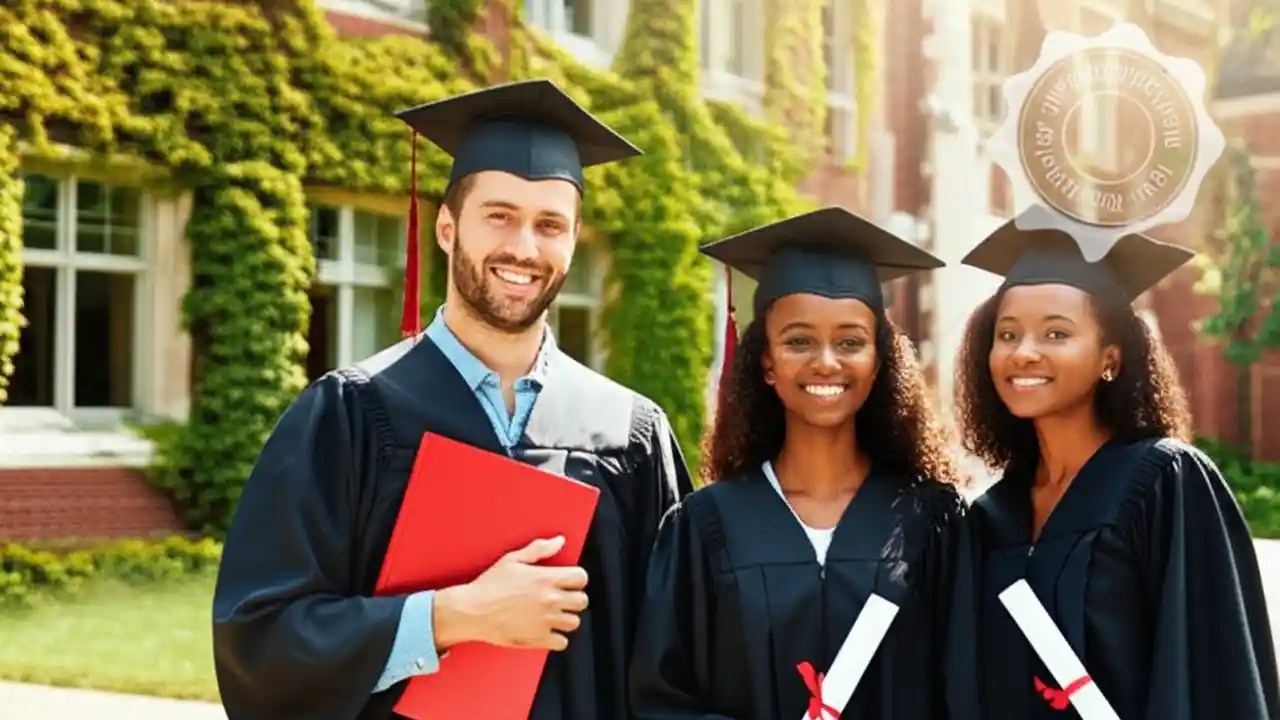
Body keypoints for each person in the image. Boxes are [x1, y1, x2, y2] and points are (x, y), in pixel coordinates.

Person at [211, 79, 695, 720]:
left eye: (550, 224)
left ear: (574, 241)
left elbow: (684, 655)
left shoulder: (628, 434)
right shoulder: (353, 414)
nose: (524, 247)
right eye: (499, 215)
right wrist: (449, 616)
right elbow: (261, 642)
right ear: (446, 227)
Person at [628, 207, 980, 720]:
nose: (826, 362)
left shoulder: (933, 520)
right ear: (766, 362)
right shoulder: (705, 526)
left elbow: (969, 692)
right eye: (798, 341)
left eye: (851, 342)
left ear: (878, 362)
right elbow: (660, 700)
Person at [951, 206, 1280, 720]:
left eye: (1056, 333)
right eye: (1008, 333)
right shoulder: (991, 517)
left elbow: (1213, 674)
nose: (1023, 353)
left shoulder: (1164, 484)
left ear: (1111, 357)